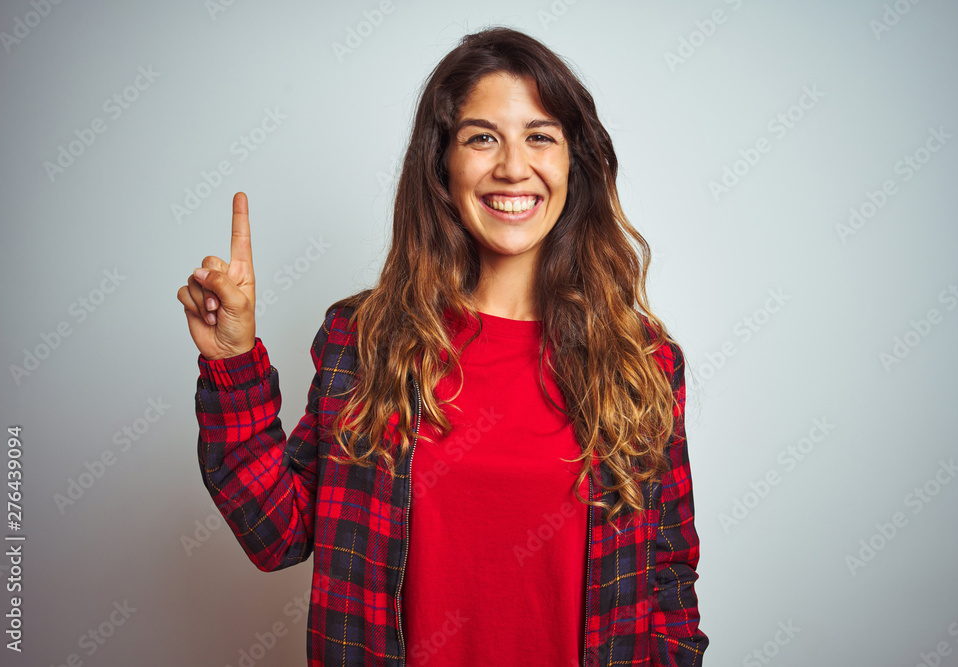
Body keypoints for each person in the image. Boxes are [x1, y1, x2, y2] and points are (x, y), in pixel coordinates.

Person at [177, 26, 708, 667]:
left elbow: (670, 587)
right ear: (442, 164)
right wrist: (231, 365)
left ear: (576, 163)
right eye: (482, 137)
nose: (514, 166)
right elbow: (276, 534)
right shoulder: (364, 342)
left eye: (540, 136)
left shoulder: (642, 364)